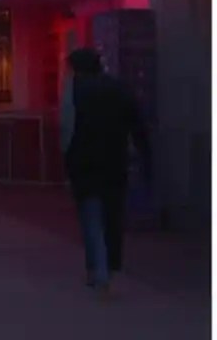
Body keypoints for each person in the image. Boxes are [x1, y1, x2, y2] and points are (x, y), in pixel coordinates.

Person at [61, 48, 150, 294]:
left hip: (84, 162)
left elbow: (66, 128)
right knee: (112, 216)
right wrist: (144, 155)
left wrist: (66, 162)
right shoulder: (118, 88)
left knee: (91, 218)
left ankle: (97, 271)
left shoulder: (74, 89)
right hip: (115, 160)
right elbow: (137, 123)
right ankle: (110, 267)